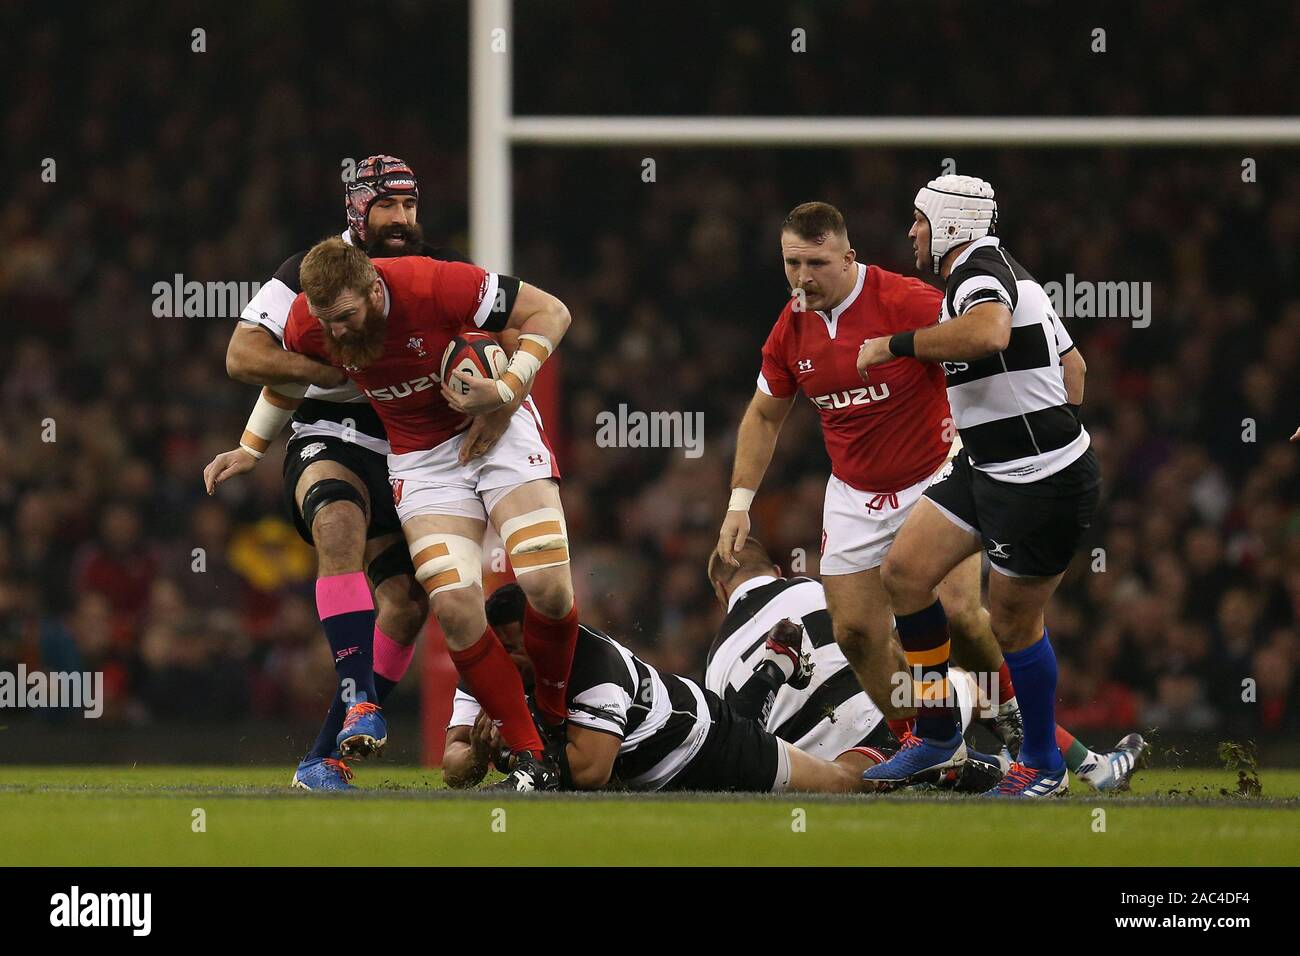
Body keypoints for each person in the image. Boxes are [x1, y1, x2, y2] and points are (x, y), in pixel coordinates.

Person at [273, 236, 581, 792]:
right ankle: (533, 754)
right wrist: (250, 447)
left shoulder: (435, 283)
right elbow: (278, 375)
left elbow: (552, 312)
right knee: (455, 606)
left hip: (500, 429)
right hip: (422, 461)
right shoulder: (310, 319)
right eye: (325, 320)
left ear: (374, 290)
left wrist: (507, 389)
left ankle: (554, 721)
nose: (335, 331)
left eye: (344, 317)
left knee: (547, 586)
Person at [715, 201, 1022, 754]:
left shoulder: (907, 300)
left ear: (848, 257)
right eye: (791, 263)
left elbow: (986, 337)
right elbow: (763, 416)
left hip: (936, 473)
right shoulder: (790, 328)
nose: (802, 278)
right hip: (854, 494)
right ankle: (924, 748)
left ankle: (1012, 716)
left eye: (816, 263)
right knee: (855, 634)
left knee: (958, 616)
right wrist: (739, 503)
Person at [204, 155, 469, 791]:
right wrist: (324, 374)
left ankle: (324, 759)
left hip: (410, 449)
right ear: (357, 211)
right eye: (387, 206)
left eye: (409, 205)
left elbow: (496, 336)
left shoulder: (438, 272)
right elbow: (244, 354)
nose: (401, 219)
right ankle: (360, 699)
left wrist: (497, 401)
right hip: (330, 434)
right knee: (337, 523)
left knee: (406, 603)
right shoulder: (307, 273)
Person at [857, 175, 1100, 796]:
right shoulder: (1007, 274)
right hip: (988, 467)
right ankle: (938, 733)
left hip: (1035, 483)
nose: (912, 232)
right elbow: (1073, 367)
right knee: (905, 574)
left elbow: (990, 332)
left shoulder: (977, 274)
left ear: (950, 224)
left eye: (920, 220)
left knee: (1014, 625)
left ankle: (1044, 767)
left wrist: (895, 346)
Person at [706, 537, 1147, 791]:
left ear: (722, 593)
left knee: (894, 752)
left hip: (825, 765)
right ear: (777, 569)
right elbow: (891, 646)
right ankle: (1091, 766)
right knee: (976, 685)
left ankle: (974, 767)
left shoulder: (715, 662)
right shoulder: (815, 589)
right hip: (889, 718)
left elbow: (739, 740)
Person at [441, 585, 976, 793]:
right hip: (679, 730)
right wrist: (482, 753)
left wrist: (519, 751)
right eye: (501, 650)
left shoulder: (591, 663)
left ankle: (931, 759)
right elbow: (454, 765)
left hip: (703, 745)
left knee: (839, 786)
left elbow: (590, 771)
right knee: (747, 718)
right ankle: (773, 668)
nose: (510, 660)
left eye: (519, 647)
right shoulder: (486, 672)